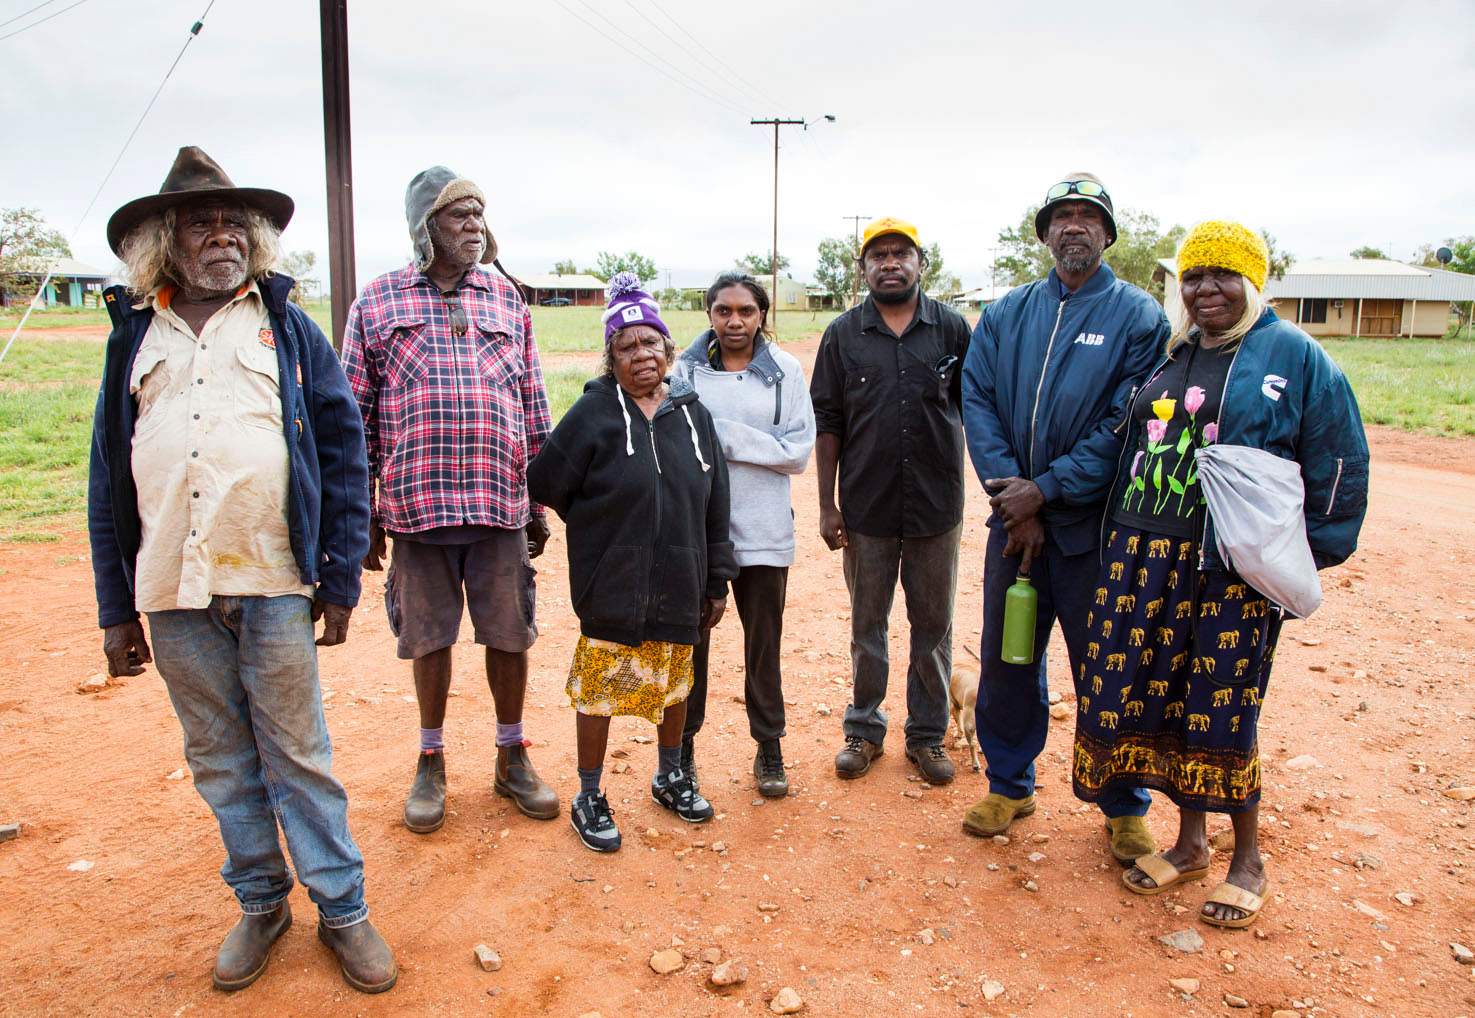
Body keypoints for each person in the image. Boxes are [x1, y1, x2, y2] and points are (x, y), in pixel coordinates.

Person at [88, 147, 396, 993]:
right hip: (170, 591)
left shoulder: (287, 327)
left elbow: (342, 446)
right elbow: (107, 474)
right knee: (221, 759)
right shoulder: (132, 335)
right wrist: (116, 609)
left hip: (273, 581)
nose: (220, 233)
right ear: (166, 242)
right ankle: (262, 902)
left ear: (253, 238)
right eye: (199, 221)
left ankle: (344, 911)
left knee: (299, 754)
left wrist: (338, 577)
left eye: (234, 221)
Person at [1075, 220, 1368, 927]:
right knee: (1160, 703)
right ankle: (1189, 844)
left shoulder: (1294, 357)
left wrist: (1305, 556)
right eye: (1194, 276)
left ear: (1252, 280)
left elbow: (1340, 461)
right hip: (1143, 557)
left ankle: (1248, 861)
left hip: (1224, 570)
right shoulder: (1173, 354)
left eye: (1222, 275)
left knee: (1223, 707)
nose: (1206, 289)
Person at [960, 173, 1170, 865]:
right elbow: (979, 404)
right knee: (1008, 657)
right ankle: (1009, 784)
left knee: (1106, 668)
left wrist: (1045, 492)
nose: (1073, 225)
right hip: (1012, 529)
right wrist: (1010, 499)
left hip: (1094, 532)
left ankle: (1122, 806)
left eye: (1087, 216)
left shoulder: (1139, 318)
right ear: (1044, 233)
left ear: (1107, 234)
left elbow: (1128, 421)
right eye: (1061, 215)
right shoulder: (1006, 314)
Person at [341, 166, 558, 835]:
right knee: (428, 637)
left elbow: (534, 409)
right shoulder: (375, 303)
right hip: (414, 505)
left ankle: (510, 753)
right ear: (422, 227)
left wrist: (539, 502)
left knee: (509, 632)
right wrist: (363, 512)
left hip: (499, 501)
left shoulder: (506, 301)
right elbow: (353, 416)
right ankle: (430, 760)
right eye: (457, 214)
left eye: (477, 214)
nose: (473, 226)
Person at [527, 273, 737, 852]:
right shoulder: (594, 415)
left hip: (682, 579)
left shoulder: (694, 415)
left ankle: (670, 774)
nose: (640, 355)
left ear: (669, 351)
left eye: (650, 343)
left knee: (674, 684)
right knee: (599, 691)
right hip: (612, 584)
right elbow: (546, 480)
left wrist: (717, 576)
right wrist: (600, 531)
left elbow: (716, 499)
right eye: (626, 347)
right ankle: (589, 793)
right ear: (610, 358)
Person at [810, 217, 971, 785]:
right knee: (867, 624)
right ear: (863, 268)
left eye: (901, 253)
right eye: (877, 255)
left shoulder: (952, 330)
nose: (890, 263)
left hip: (935, 507)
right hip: (867, 507)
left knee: (933, 626)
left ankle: (927, 737)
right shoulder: (842, 335)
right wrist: (828, 504)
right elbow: (827, 420)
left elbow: (977, 409)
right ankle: (864, 729)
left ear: (921, 263)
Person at [673, 271, 816, 798]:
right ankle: (681, 749)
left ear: (763, 315)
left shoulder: (785, 370)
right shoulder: (683, 370)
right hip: (698, 531)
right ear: (709, 315)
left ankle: (769, 747)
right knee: (692, 642)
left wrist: (721, 435)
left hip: (763, 528)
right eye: (723, 311)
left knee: (763, 644)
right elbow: (676, 441)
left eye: (746, 311)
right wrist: (759, 443)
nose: (735, 321)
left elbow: (798, 452)